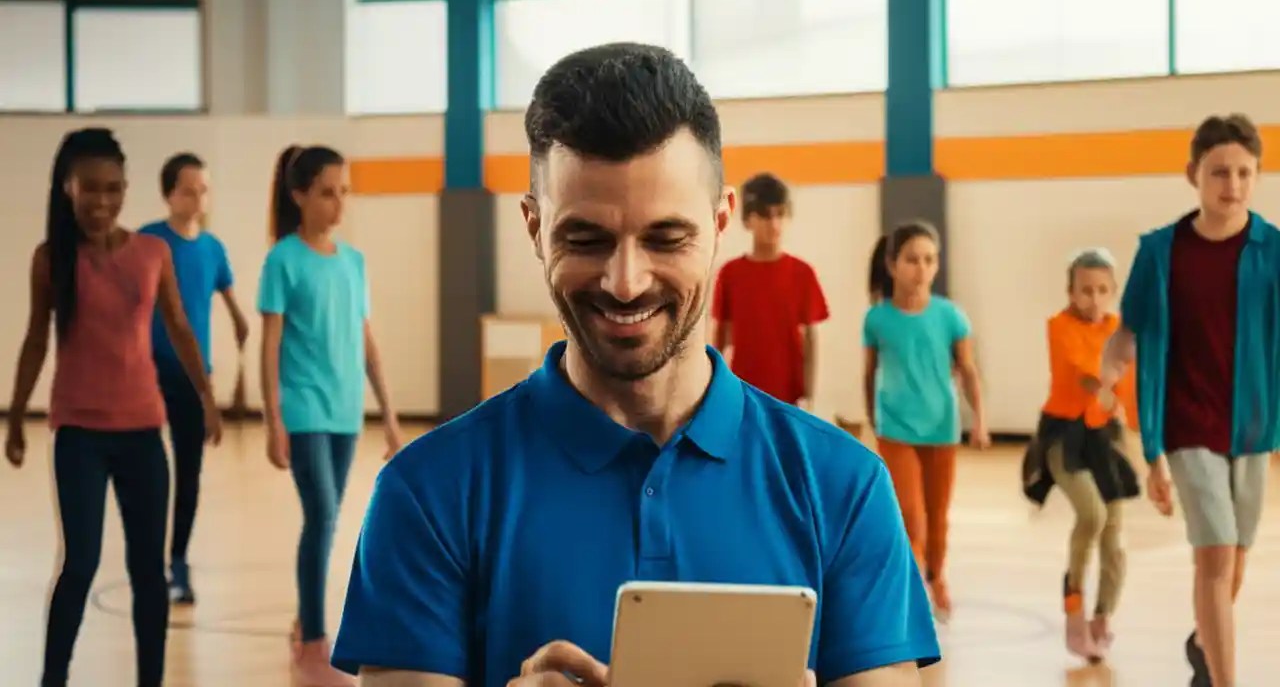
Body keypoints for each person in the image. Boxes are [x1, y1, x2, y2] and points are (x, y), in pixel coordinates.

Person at [329, 42, 941, 687]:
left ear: (720, 219)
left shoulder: (844, 486)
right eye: (586, 239)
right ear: (535, 228)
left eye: (665, 238)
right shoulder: (428, 494)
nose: (625, 282)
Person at [4, 127, 223, 687]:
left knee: (148, 571)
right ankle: (53, 677)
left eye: (114, 189)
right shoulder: (51, 259)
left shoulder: (152, 252)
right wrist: (15, 416)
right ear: (67, 189)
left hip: (143, 434)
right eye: (91, 190)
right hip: (78, 433)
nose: (103, 201)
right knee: (79, 564)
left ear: (126, 189)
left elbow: (179, 328)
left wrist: (207, 398)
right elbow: (35, 339)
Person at [1101, 113, 1277, 687]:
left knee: (1235, 560)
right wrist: (1112, 369)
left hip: (1252, 425)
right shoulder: (1159, 252)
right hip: (1186, 422)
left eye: (1245, 173)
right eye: (1220, 172)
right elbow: (1129, 329)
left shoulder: (1272, 251)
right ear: (1193, 175)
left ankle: (1204, 641)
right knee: (1217, 554)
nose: (1233, 185)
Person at [258, 144, 404, 687]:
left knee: (327, 520)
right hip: (303, 409)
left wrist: (388, 415)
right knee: (321, 516)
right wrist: (273, 419)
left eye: (343, 191)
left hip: (346, 411)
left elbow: (367, 342)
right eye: (326, 191)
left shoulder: (353, 262)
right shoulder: (282, 260)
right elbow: (270, 347)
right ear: (299, 195)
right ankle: (315, 644)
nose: (338, 202)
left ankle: (305, 621)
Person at [862, 220, 991, 623]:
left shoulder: (951, 315)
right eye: (912, 260)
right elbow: (868, 374)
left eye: (929, 260)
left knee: (938, 517)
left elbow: (968, 371)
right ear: (892, 264)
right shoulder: (877, 319)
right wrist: (872, 418)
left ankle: (938, 577)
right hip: (895, 429)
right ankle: (913, 586)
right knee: (909, 515)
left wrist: (980, 421)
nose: (921, 268)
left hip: (942, 427)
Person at [139, 152, 249, 605]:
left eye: (203, 189)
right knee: (147, 473)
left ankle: (178, 562)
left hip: (192, 377)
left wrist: (241, 321)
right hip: (145, 372)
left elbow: (226, 294)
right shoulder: (147, 242)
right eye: (188, 189)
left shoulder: (213, 248)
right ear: (169, 194)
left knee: (189, 472)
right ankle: (147, 560)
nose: (198, 197)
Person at [1021, 248, 1139, 663]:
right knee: (1092, 515)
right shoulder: (1059, 325)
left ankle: (1103, 616)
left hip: (1105, 436)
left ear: (1113, 293)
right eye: (1085, 289)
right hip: (1065, 435)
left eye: (1103, 290)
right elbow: (1083, 371)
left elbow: (1134, 384)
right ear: (1070, 290)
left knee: (1115, 536)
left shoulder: (1122, 329)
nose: (1093, 298)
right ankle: (1074, 609)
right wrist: (1109, 381)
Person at [710, 173, 829, 409]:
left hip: (789, 397)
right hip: (743, 393)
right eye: (764, 215)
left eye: (780, 214)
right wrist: (715, 391)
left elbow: (811, 341)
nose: (773, 224)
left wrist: (809, 394)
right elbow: (719, 339)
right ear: (747, 219)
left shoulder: (802, 273)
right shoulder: (730, 274)